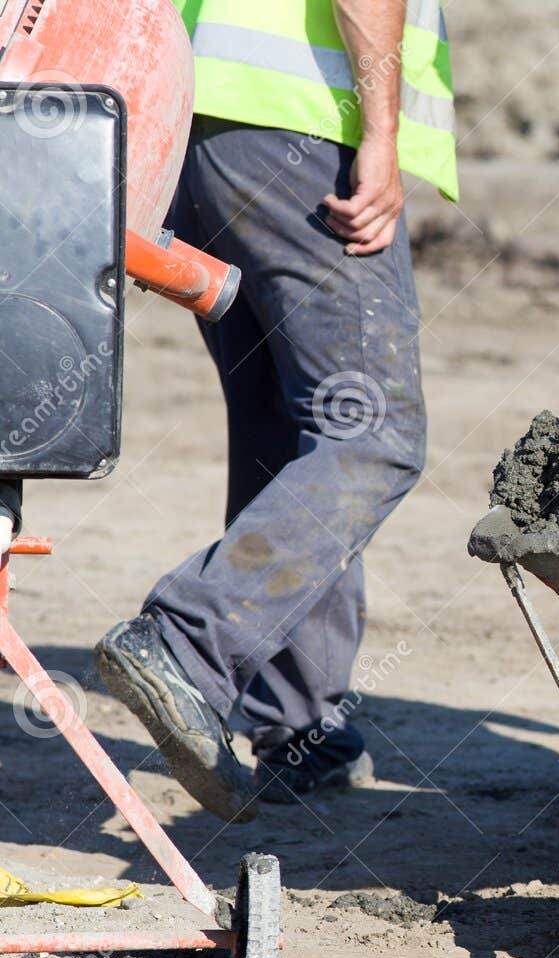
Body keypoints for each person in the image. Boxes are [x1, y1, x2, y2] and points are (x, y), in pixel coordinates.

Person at [94, 0, 457, 821]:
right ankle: (188, 644)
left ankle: (299, 727)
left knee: (286, 426)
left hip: (200, 128)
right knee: (374, 434)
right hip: (299, 126)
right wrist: (381, 134)